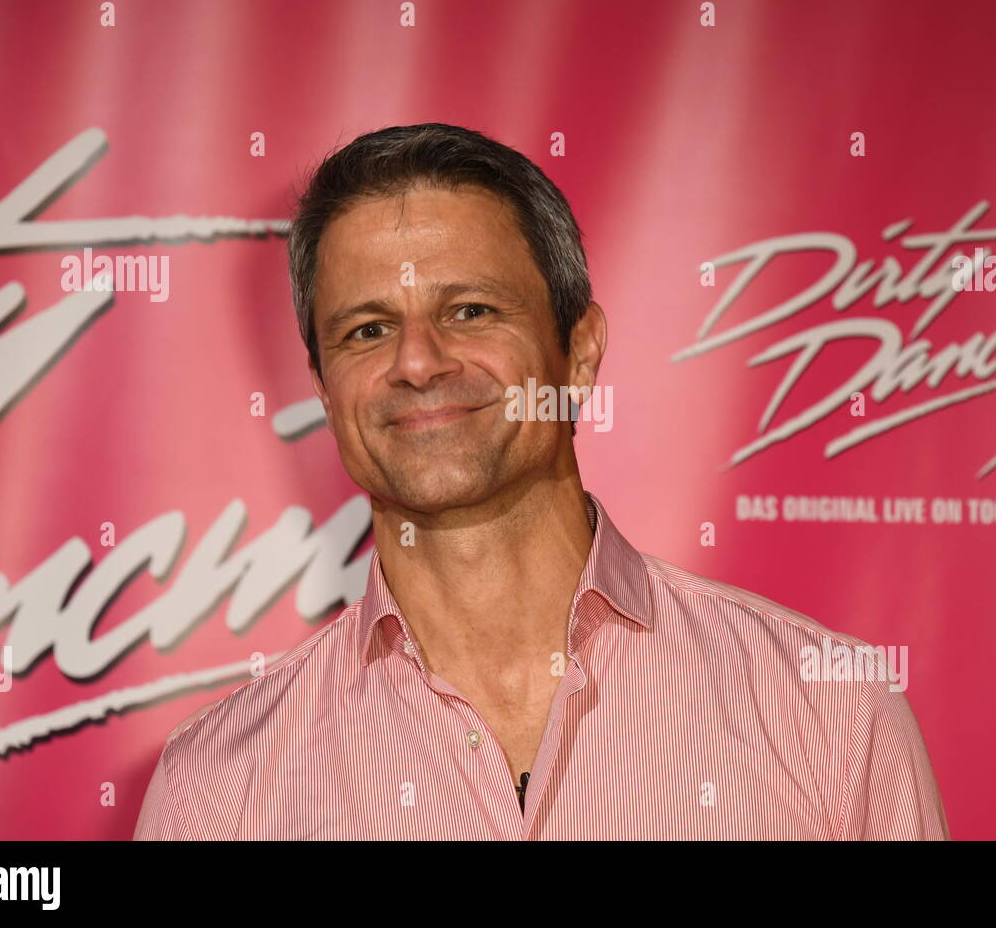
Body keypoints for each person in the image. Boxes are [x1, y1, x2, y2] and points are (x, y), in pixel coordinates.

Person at [134, 122, 949, 839]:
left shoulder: (831, 716)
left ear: (580, 350)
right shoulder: (217, 793)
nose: (417, 363)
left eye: (471, 312)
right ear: (323, 387)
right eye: (369, 329)